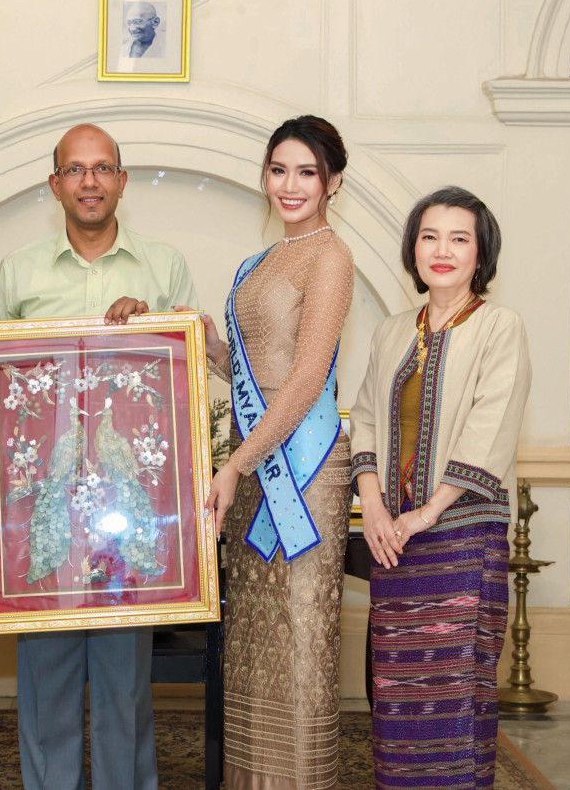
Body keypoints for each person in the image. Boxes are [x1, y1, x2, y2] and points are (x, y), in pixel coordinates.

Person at [0, 123, 198, 790]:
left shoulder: (163, 268)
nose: (89, 182)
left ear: (122, 181)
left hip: (125, 521)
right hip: (42, 515)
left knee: (124, 688)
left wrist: (154, 330)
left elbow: (188, 388)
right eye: (75, 170)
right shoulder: (18, 273)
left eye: (103, 168)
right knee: (44, 685)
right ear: (55, 185)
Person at [348, 186, 532, 790]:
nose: (443, 250)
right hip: (393, 543)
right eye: (430, 236)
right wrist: (373, 505)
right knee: (396, 695)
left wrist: (426, 513)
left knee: (454, 694)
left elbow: (491, 424)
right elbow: (367, 417)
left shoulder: (499, 327)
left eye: (460, 238)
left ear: (482, 253)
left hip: (461, 539)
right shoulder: (392, 331)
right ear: (413, 247)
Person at [197, 115, 355, 789]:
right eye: (279, 170)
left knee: (298, 643)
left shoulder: (331, 256)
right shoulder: (254, 264)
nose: (289, 186)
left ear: (332, 183)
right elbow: (250, 371)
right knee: (253, 646)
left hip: (304, 469)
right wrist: (203, 342)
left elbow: (308, 376)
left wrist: (234, 463)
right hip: (254, 466)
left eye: (307, 173)